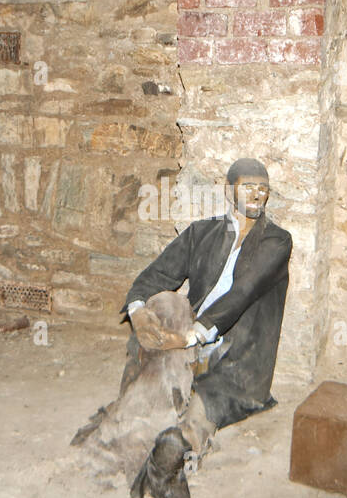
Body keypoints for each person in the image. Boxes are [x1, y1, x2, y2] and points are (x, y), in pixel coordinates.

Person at [123, 159, 292, 464]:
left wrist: (191, 337)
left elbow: (243, 292)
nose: (257, 195)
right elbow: (158, 274)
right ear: (230, 191)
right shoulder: (202, 232)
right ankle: (158, 397)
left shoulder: (277, 241)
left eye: (263, 189)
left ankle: (187, 434)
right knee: (163, 305)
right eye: (248, 186)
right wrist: (137, 310)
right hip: (188, 341)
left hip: (237, 355)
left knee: (194, 419)